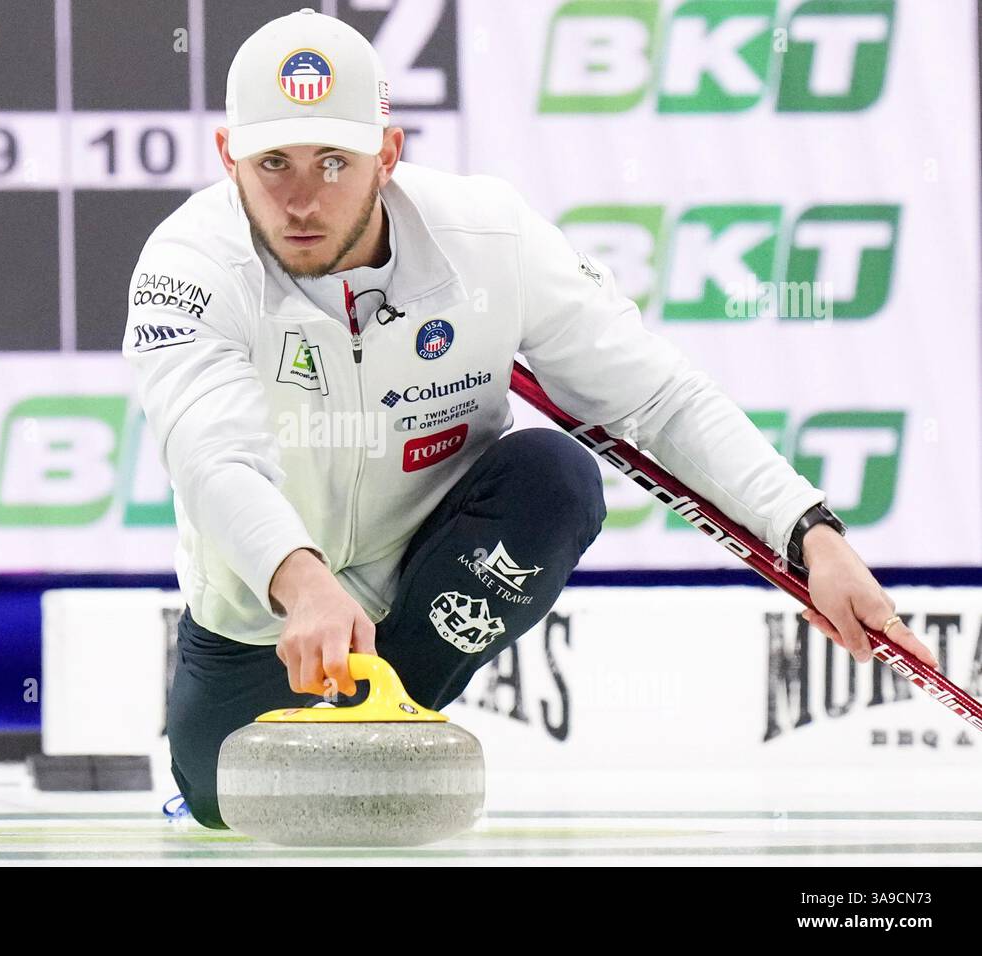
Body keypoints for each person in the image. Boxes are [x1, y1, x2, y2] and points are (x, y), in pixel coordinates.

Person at [122, 8, 938, 829]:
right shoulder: (186, 265)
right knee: (220, 802)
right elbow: (213, 456)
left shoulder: (489, 238)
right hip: (265, 624)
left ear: (389, 156)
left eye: (335, 161)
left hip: (419, 584)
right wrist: (303, 586)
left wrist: (811, 535)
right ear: (228, 158)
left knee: (555, 478)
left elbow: (655, 396)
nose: (303, 199)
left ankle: (395, 703)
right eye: (274, 164)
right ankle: (289, 748)